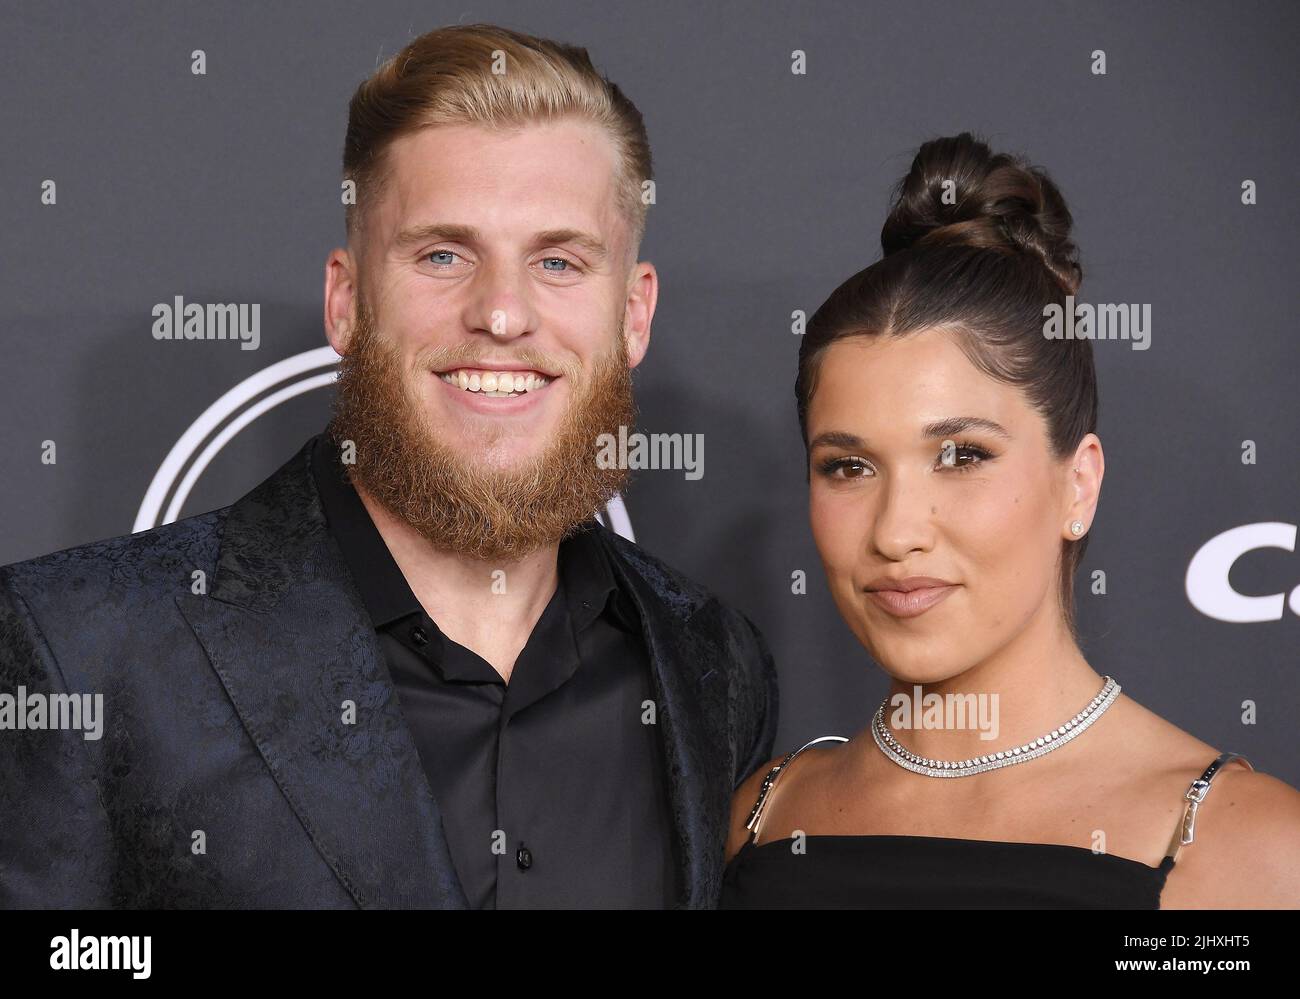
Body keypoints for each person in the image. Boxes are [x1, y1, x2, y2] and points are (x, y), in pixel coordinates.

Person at [0, 23, 777, 909]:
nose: (501, 313)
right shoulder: (82, 653)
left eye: (558, 261)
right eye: (443, 254)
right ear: (347, 299)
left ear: (633, 315)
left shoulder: (715, 663)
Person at [721, 132, 1300, 909]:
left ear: (1078, 483)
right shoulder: (762, 817)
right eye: (848, 466)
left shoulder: (1242, 849)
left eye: (961, 455)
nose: (897, 532)